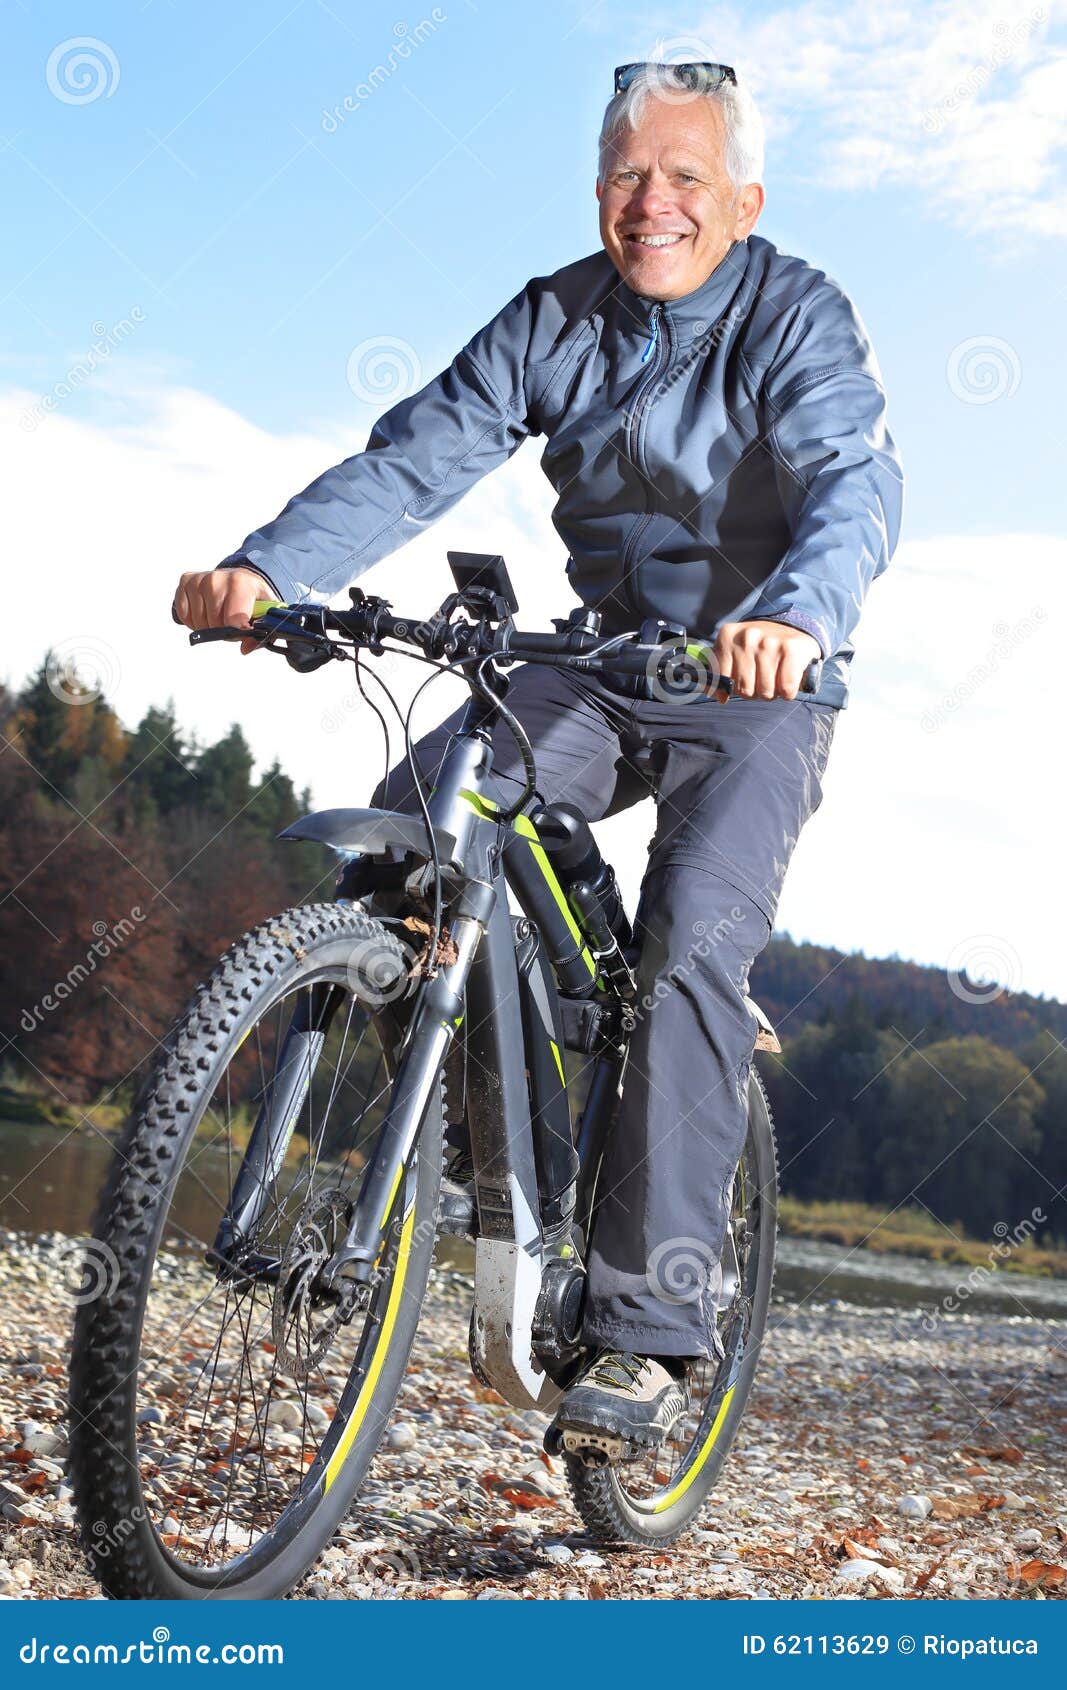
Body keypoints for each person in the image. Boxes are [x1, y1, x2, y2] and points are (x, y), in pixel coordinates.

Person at [173, 61, 903, 1456]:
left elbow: (852, 482)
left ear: (744, 201)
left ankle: (645, 1332)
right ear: (597, 190)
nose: (653, 202)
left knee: (689, 947)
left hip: (758, 680)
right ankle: (492, 1150)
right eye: (628, 174)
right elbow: (416, 456)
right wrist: (268, 571)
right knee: (417, 830)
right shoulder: (555, 316)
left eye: (685, 177)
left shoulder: (796, 313)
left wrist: (797, 617)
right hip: (606, 657)